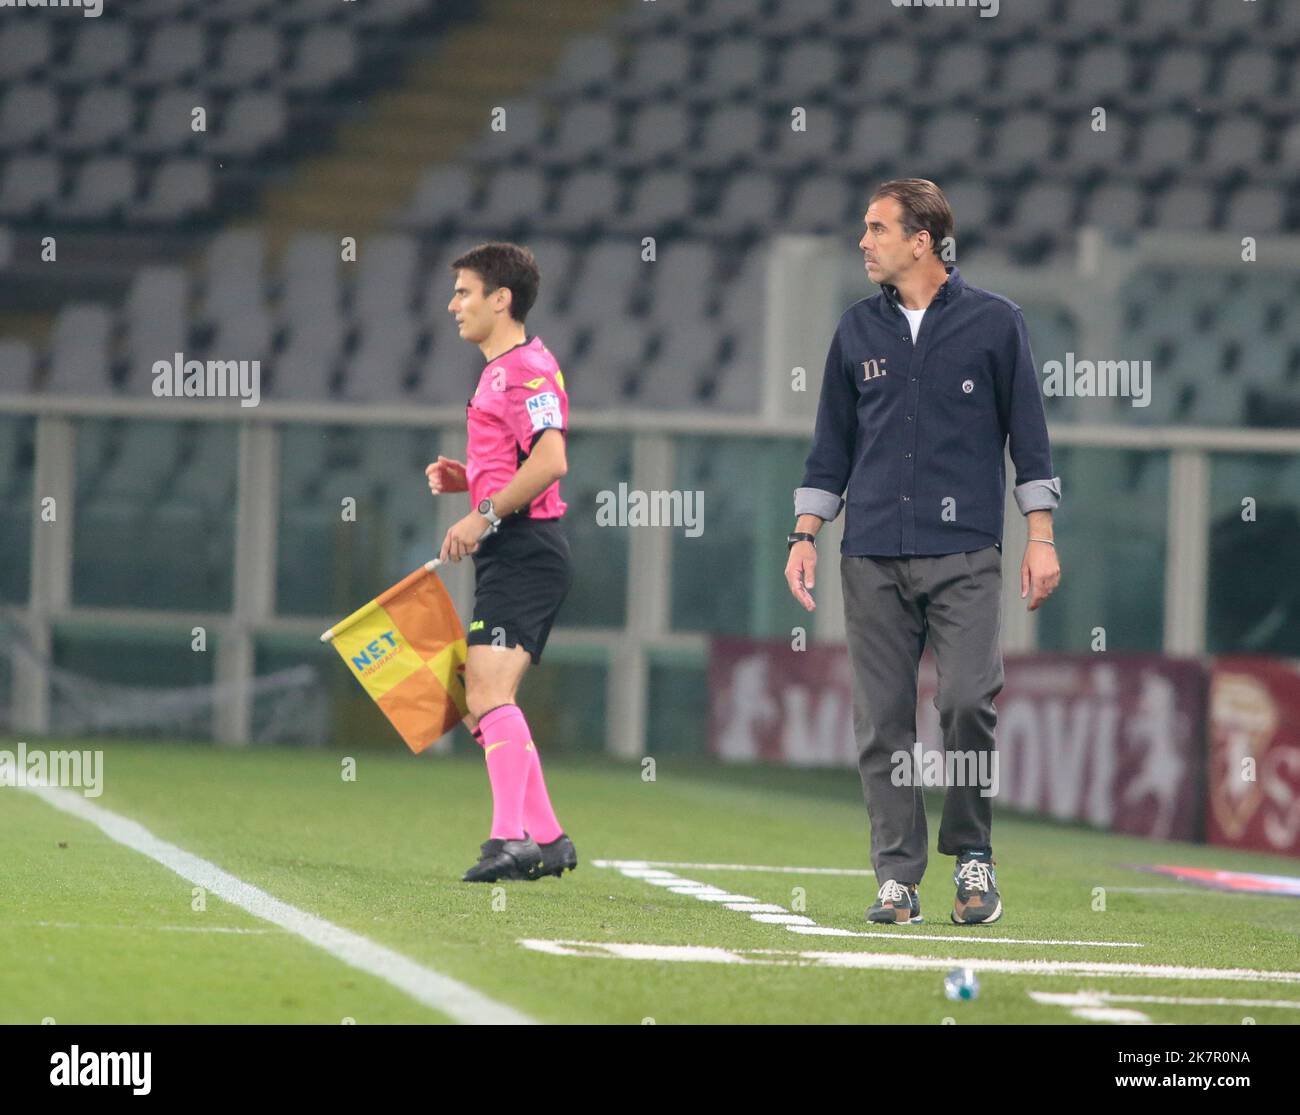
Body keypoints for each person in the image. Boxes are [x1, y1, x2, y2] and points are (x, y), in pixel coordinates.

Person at [783, 180, 1061, 925]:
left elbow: (1029, 441)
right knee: (882, 721)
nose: (864, 242)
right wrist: (805, 534)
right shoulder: (854, 331)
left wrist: (1041, 534)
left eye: (877, 229)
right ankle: (897, 878)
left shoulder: (997, 324)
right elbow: (828, 449)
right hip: (869, 552)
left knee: (968, 700)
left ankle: (973, 855)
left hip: (966, 552)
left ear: (922, 240)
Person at [426, 242, 577, 884]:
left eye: (464, 291)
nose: (453, 304)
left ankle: (508, 839)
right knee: (477, 698)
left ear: (500, 299)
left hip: (525, 549)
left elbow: (550, 462)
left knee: (485, 692)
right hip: (512, 547)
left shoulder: (527, 369)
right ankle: (547, 838)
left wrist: (482, 514)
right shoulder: (502, 370)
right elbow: (521, 461)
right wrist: (475, 481)